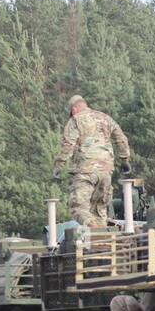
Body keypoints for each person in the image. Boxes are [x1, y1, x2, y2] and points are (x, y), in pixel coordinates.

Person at [53, 95, 131, 229]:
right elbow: (121, 139)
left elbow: (68, 145)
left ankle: (95, 230)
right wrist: (124, 160)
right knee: (99, 211)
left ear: (74, 109)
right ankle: (103, 244)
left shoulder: (75, 120)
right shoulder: (105, 118)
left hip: (86, 170)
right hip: (106, 171)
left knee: (78, 208)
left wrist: (59, 165)